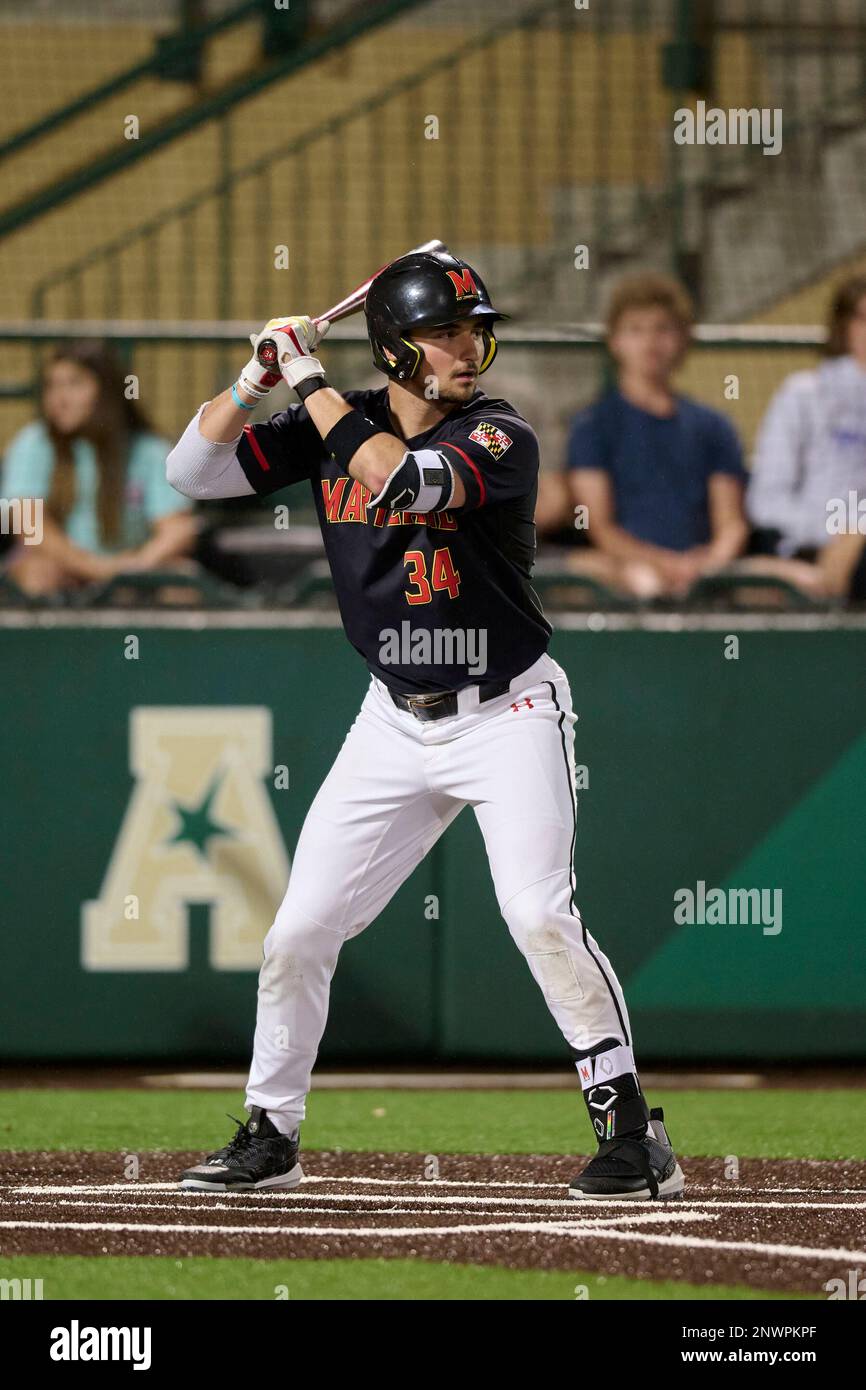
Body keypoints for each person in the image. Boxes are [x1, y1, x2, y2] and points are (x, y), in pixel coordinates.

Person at [165, 249, 685, 1202]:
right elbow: (188, 472)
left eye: (468, 329)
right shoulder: (336, 423)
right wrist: (255, 378)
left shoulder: (501, 434)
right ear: (395, 350)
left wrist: (310, 379)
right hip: (393, 717)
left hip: (510, 706)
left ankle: (629, 1131)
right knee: (298, 930)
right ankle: (271, 1130)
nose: (466, 347)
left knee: (537, 913)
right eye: (443, 332)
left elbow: (403, 483)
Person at [565, 274, 748, 598]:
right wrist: (662, 565)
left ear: (682, 338)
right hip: (627, 572)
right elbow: (601, 528)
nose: (650, 342)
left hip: (705, 571)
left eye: (662, 329)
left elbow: (731, 523)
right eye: (635, 329)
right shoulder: (592, 425)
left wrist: (706, 565)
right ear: (615, 340)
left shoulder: (713, 425)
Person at [2, 341, 196, 597]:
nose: (60, 398)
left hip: (132, 572)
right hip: (63, 571)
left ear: (108, 390)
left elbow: (178, 529)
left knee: (182, 581)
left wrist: (136, 566)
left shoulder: (148, 450)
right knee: (38, 575)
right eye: (52, 386)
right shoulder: (33, 443)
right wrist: (94, 568)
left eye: (74, 384)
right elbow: (29, 528)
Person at [745, 274, 866, 601]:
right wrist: (840, 531)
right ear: (845, 327)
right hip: (810, 549)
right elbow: (767, 501)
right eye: (864, 318)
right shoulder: (803, 394)